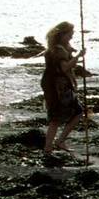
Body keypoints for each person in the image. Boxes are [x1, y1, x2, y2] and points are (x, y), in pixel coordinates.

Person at [42, 20, 86, 155]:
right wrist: (78, 56)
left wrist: (72, 54)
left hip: (57, 85)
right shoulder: (58, 50)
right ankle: (53, 145)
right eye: (70, 33)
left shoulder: (60, 47)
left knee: (73, 112)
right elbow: (64, 67)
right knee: (59, 117)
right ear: (62, 34)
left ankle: (55, 143)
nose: (72, 36)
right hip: (57, 87)